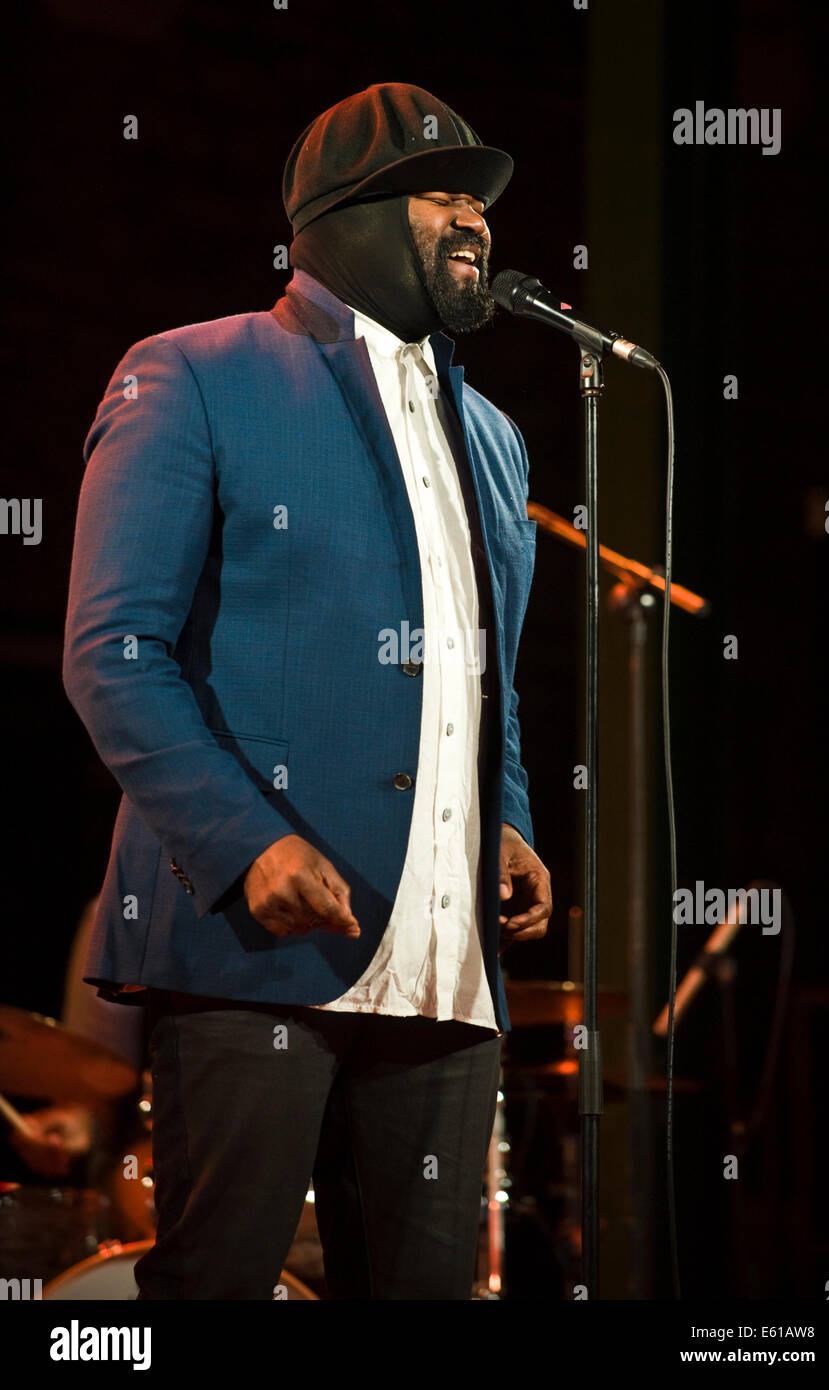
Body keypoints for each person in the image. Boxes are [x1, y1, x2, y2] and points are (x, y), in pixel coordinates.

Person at [62, 81, 551, 1300]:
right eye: (437, 194)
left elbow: (486, 675)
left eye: (480, 200)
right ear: (341, 221)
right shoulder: (194, 373)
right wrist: (245, 839)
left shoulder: (492, 435)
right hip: (258, 946)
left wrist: (512, 817)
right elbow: (113, 649)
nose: (471, 220)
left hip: (446, 964)